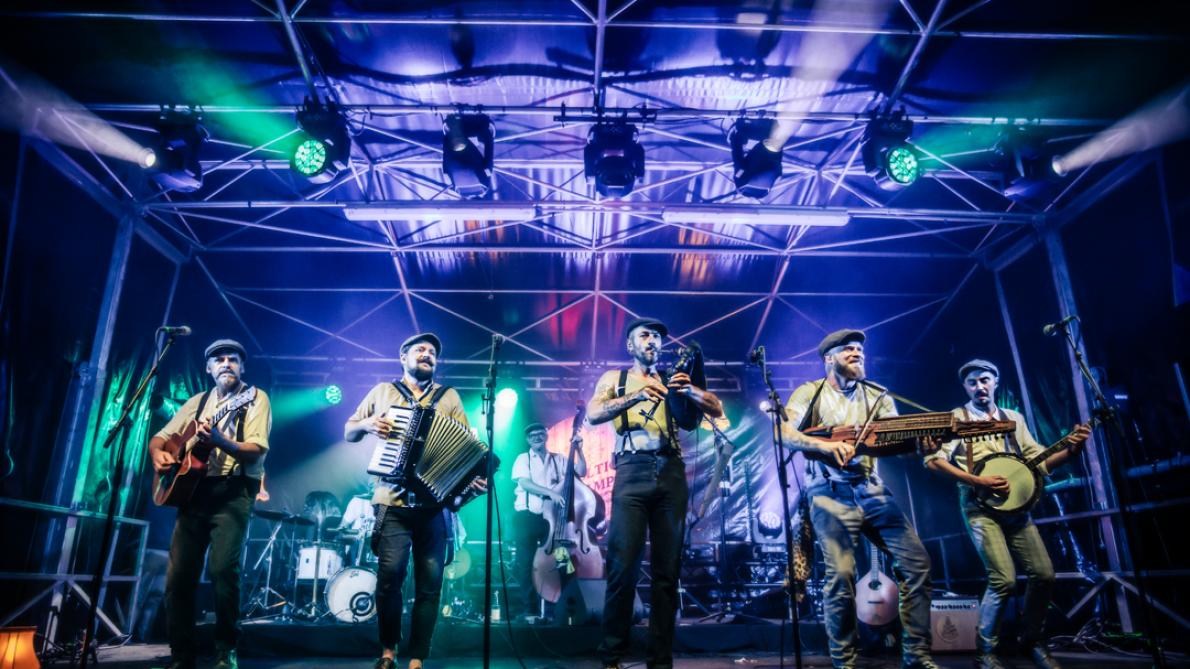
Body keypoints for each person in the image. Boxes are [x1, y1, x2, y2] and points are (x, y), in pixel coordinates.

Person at [780, 329, 939, 669]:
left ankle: (917, 655)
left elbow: (898, 440)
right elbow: (785, 432)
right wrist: (825, 446)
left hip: (871, 488)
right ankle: (845, 662)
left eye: (860, 350)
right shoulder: (810, 392)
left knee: (917, 564)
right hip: (827, 491)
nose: (856, 353)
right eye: (847, 349)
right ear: (829, 359)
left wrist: (920, 445)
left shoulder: (878, 396)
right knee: (840, 577)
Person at [925, 359, 1089, 669]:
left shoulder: (1013, 418)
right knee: (1004, 579)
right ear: (966, 387)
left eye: (984, 380)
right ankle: (985, 650)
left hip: (1017, 509)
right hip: (979, 508)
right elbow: (934, 461)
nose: (979, 386)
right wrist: (976, 480)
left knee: (1043, 574)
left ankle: (1031, 641)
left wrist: (1071, 451)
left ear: (995, 382)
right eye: (972, 382)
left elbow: (1036, 459)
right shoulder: (956, 419)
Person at [587, 317, 723, 669]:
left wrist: (689, 389)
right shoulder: (614, 379)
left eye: (657, 337)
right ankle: (611, 657)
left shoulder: (673, 381)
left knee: (667, 573)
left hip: (670, 471)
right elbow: (593, 414)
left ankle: (660, 661)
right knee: (622, 568)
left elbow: (716, 411)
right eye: (644, 336)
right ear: (630, 345)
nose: (652, 341)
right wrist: (636, 396)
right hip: (631, 471)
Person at [344, 332, 485, 669]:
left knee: (430, 583)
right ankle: (388, 651)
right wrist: (366, 423)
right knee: (390, 577)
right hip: (391, 500)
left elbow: (464, 449)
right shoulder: (383, 391)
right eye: (420, 349)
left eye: (433, 351)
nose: (427, 354)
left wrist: (470, 483)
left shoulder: (448, 397)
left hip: (433, 505)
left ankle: (417, 656)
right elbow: (349, 431)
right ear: (403, 356)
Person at [149, 339, 272, 669]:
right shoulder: (197, 402)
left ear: (242, 367)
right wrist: (158, 453)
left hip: (233, 491)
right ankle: (181, 655)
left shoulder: (255, 398)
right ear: (209, 368)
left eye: (234, 359)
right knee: (178, 579)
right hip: (193, 493)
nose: (227, 363)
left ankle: (225, 650)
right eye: (219, 359)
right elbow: (160, 437)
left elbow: (256, 450)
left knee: (221, 571)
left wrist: (220, 441)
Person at [511, 422, 587, 620]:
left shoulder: (558, 459)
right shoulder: (523, 458)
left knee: (562, 560)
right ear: (528, 439)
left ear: (546, 435)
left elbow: (581, 471)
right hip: (527, 517)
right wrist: (550, 493)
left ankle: (559, 608)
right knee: (526, 563)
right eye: (532, 435)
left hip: (552, 520)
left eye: (540, 433)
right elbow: (525, 483)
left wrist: (578, 448)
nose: (537, 437)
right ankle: (531, 610)